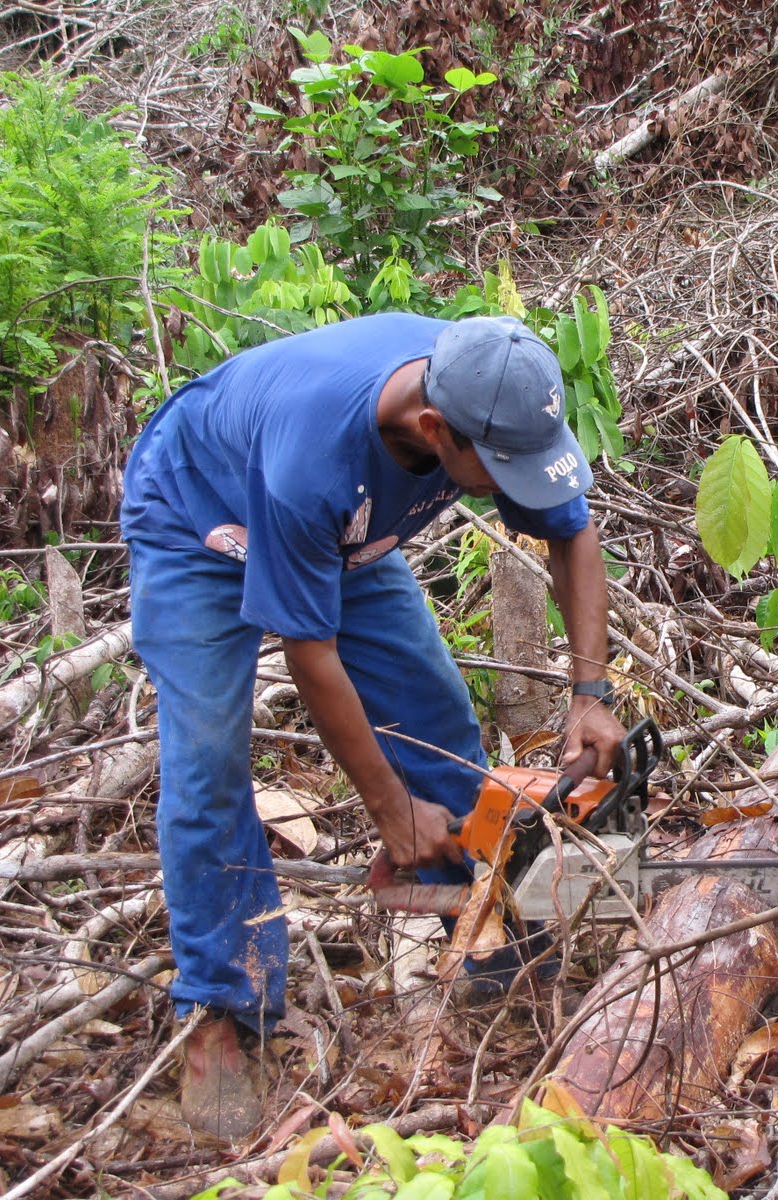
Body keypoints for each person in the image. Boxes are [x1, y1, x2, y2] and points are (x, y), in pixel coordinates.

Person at [120, 312, 625, 1139]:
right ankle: (223, 1005)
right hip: (203, 523)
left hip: (341, 542)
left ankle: (477, 922)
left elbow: (574, 532)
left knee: (432, 714)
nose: (513, 486)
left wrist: (590, 690)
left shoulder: (493, 377)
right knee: (208, 756)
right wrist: (390, 809)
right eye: (501, 471)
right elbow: (310, 656)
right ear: (436, 431)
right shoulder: (312, 462)